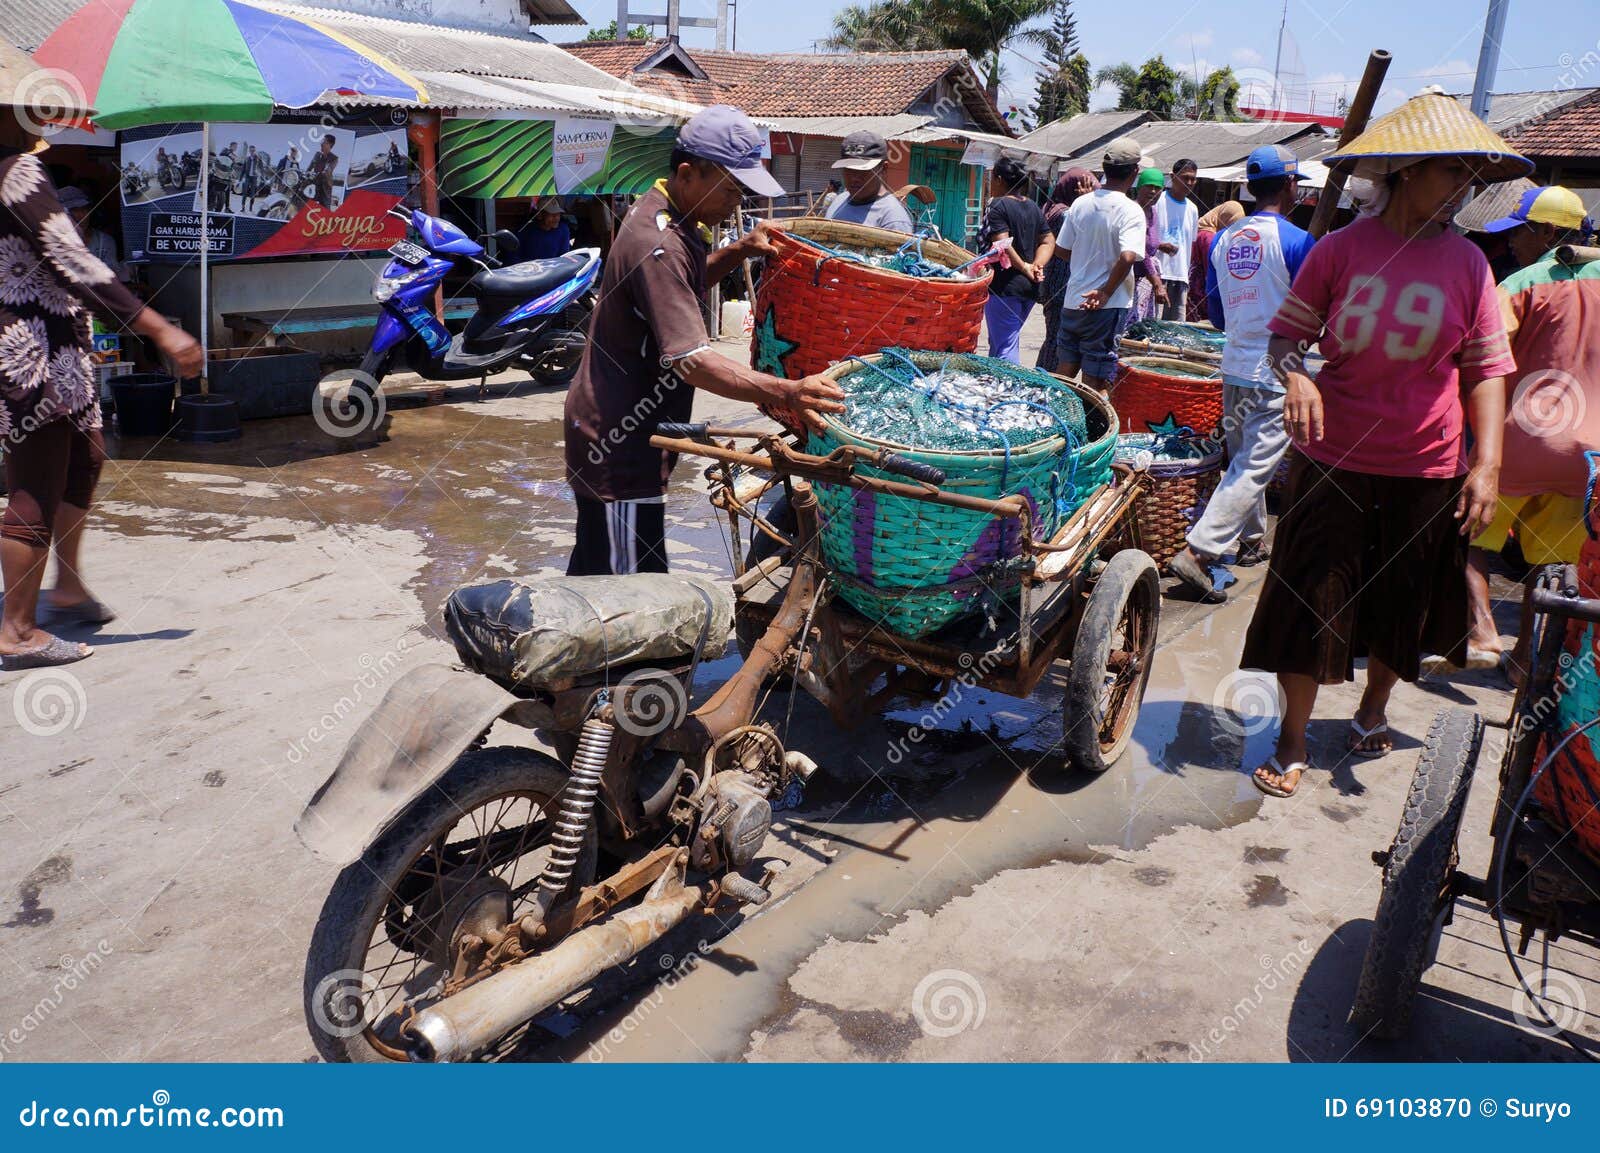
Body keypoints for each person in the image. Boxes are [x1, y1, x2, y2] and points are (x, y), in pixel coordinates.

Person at [1239, 93, 1523, 799]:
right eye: (1452, 173)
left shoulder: (1469, 266)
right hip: (1333, 461)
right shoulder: (1338, 250)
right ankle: (1294, 734)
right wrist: (1295, 375)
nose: (1463, 190)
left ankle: (1373, 708)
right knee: (1309, 599)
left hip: (1426, 465)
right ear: (1403, 170)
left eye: (1471, 179)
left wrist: (1486, 464)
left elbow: (1486, 371)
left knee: (1405, 603)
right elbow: (1284, 338)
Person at [563, 105, 845, 576]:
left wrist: (735, 252)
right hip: (617, 440)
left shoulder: (669, 214)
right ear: (689, 173)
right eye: (731, 189)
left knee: (609, 567)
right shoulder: (659, 243)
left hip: (633, 432)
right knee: (623, 592)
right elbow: (691, 360)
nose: (735, 204)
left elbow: (681, 284)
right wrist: (789, 392)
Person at [1, 110, 204, 669]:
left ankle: (67, 585)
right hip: (30, 352)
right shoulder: (16, 170)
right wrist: (157, 325)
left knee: (84, 459)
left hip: (61, 348)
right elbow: (71, 258)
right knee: (34, 487)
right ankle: (16, 632)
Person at [1459, 185, 1600, 684]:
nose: (1513, 243)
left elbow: (1483, 361)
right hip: (1589, 454)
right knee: (1555, 558)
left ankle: (1482, 631)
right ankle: (1524, 658)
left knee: (1461, 534)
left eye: (1520, 232)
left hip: (1521, 440)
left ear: (1547, 232)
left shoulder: (1520, 284)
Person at [1169, 146, 1317, 601]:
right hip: (1278, 368)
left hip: (1233, 363)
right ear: (1291, 186)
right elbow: (1312, 313)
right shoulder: (1297, 242)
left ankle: (1251, 540)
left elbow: (1214, 314)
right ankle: (1200, 552)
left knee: (1243, 461)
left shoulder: (1224, 241)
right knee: (1255, 467)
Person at [1054, 136, 1146, 392]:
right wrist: (1105, 291)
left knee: (1065, 371)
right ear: (1135, 171)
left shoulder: (1081, 203)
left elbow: (1061, 249)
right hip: (1106, 306)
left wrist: (1085, 261)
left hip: (1074, 300)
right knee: (1096, 382)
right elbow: (1128, 257)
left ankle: (1060, 420)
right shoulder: (1131, 210)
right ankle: (1093, 429)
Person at [976, 157, 1052, 365]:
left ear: (999, 179)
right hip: (1028, 288)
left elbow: (1003, 245)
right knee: (1006, 341)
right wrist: (1037, 264)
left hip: (1004, 287)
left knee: (1004, 348)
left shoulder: (998, 206)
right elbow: (1048, 240)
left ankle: (1006, 392)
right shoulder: (1033, 207)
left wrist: (1028, 267)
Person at [1036, 166, 1096, 372]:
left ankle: (1042, 378)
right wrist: (1088, 204)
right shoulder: (1065, 213)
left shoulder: (1054, 207)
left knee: (1054, 337)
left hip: (1057, 283)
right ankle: (1047, 383)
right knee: (1058, 340)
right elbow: (1087, 236)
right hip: (1061, 286)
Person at [823, 131, 913, 232]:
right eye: (848, 169)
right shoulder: (838, 202)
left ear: (883, 169)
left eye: (862, 170)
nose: (854, 178)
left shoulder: (893, 220)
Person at [1154, 158, 1199, 320]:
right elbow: (1145, 237)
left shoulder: (1192, 209)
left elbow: (1191, 244)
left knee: (1176, 328)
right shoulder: (1158, 201)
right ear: (1173, 177)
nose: (1190, 182)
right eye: (1185, 177)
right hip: (1158, 275)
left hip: (1181, 277)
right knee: (1153, 324)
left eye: (1193, 178)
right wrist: (1159, 245)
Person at [57, 185, 128, 284]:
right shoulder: (53, 243)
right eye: (75, 210)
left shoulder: (104, 241)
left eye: (85, 209)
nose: (83, 216)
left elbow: (111, 279)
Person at [1187, 200, 1243, 322]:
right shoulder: (1208, 237)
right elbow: (1211, 267)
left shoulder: (1203, 230)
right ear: (1225, 218)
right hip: (1201, 288)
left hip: (1194, 284)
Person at [1128, 166, 1169, 325]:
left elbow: (1149, 243)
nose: (1153, 191)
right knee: (1129, 328)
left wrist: (1160, 245)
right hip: (1131, 279)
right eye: (1149, 186)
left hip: (1146, 279)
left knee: (1143, 327)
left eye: (1157, 188)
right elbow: (1141, 252)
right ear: (1139, 187)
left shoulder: (1153, 213)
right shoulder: (1134, 211)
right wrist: (1157, 284)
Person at [308, 133, 338, 211]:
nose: (321, 143)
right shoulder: (317, 155)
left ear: (329, 144)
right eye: (322, 141)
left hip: (326, 187)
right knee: (308, 206)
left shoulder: (334, 158)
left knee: (325, 210)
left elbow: (328, 169)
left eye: (324, 141)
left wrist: (323, 172)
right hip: (314, 185)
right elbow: (309, 168)